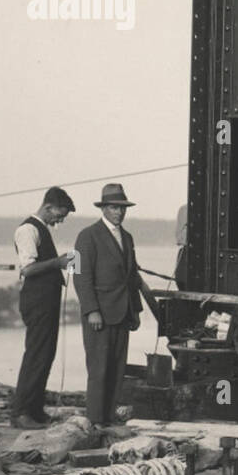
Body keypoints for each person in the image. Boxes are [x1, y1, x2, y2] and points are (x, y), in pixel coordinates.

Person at [73, 183, 161, 429]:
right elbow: (81, 277)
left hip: (122, 313)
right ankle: (95, 420)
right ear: (103, 208)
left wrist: (136, 311)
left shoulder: (128, 237)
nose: (119, 213)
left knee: (117, 368)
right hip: (99, 314)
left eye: (122, 208)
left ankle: (109, 417)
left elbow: (131, 278)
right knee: (99, 368)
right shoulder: (87, 236)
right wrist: (91, 310)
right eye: (114, 208)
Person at [11, 187, 77, 428]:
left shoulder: (42, 229)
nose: (61, 220)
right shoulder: (27, 230)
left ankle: (35, 410)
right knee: (36, 354)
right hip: (37, 300)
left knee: (45, 354)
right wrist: (58, 262)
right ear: (48, 207)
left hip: (46, 300)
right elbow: (27, 269)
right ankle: (21, 413)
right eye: (60, 215)